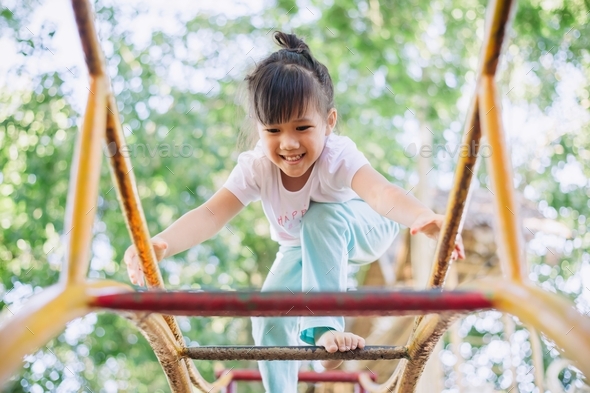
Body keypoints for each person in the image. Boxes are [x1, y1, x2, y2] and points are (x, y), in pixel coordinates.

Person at [124, 31, 465, 392]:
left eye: (302, 128)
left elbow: (380, 193)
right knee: (268, 316)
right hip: (301, 249)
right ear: (259, 129)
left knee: (322, 216)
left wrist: (420, 217)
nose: (288, 143)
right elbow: (211, 215)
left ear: (329, 123)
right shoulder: (256, 167)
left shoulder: (338, 156)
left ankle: (325, 329)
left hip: (365, 224)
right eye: (273, 130)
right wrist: (160, 243)